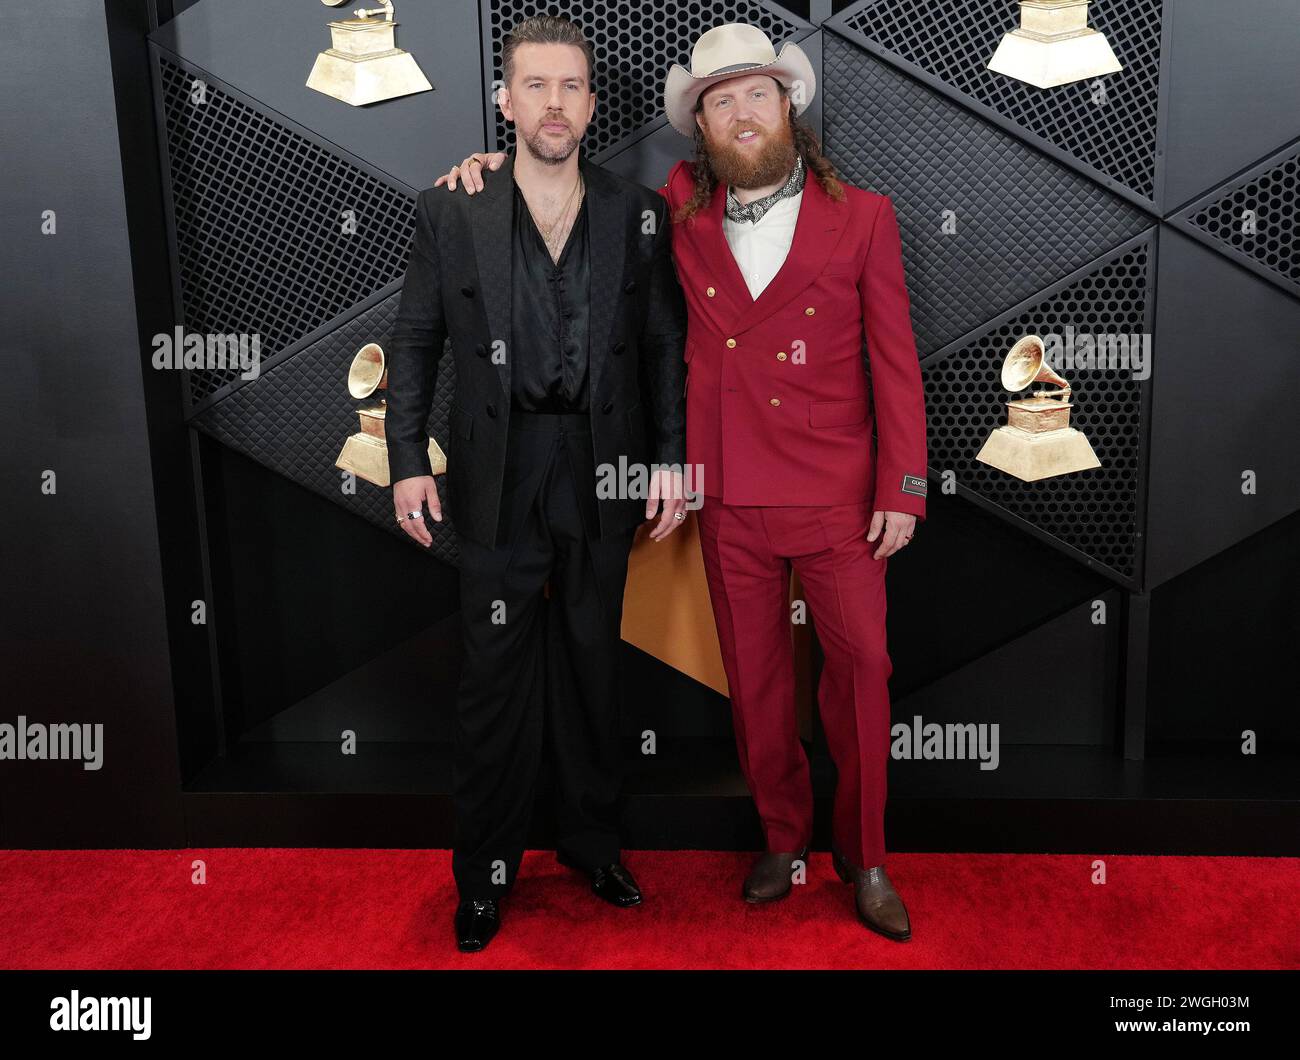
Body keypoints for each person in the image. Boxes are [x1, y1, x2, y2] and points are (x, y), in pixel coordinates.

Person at [438, 22, 927, 942]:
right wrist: (486, 169)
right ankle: (784, 843)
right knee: (756, 685)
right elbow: (556, 189)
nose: (742, 114)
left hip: (836, 496)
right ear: (698, 126)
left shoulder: (865, 216)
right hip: (729, 493)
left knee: (861, 676)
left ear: (789, 107)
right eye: (721, 101)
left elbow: (895, 363)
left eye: (757, 94)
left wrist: (902, 486)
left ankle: (865, 859)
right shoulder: (675, 212)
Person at [387, 14, 688, 953]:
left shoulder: (638, 212)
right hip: (496, 470)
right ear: (505, 99)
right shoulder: (452, 208)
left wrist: (673, 460)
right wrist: (405, 461)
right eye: (536, 86)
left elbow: (662, 346)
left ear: (591, 104)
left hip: (602, 466)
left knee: (595, 664)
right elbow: (415, 340)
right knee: (493, 681)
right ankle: (484, 874)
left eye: (571, 87)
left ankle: (596, 846)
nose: (554, 104)